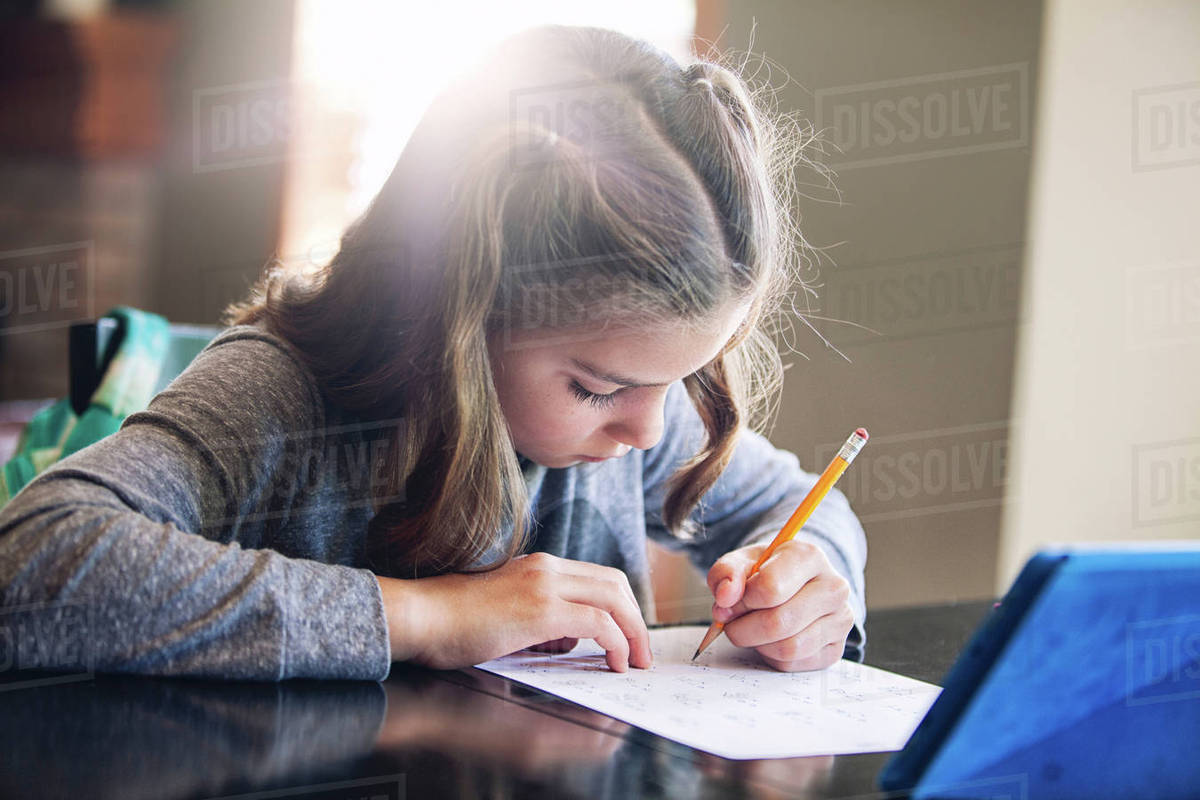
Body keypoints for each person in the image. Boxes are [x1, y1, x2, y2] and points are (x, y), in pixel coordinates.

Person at [0, 25, 866, 681]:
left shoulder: (639, 418)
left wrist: (810, 578)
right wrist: (427, 618)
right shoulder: (281, 394)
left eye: (678, 380)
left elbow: (793, 504)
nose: (649, 428)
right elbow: (31, 563)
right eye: (598, 388)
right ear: (459, 314)